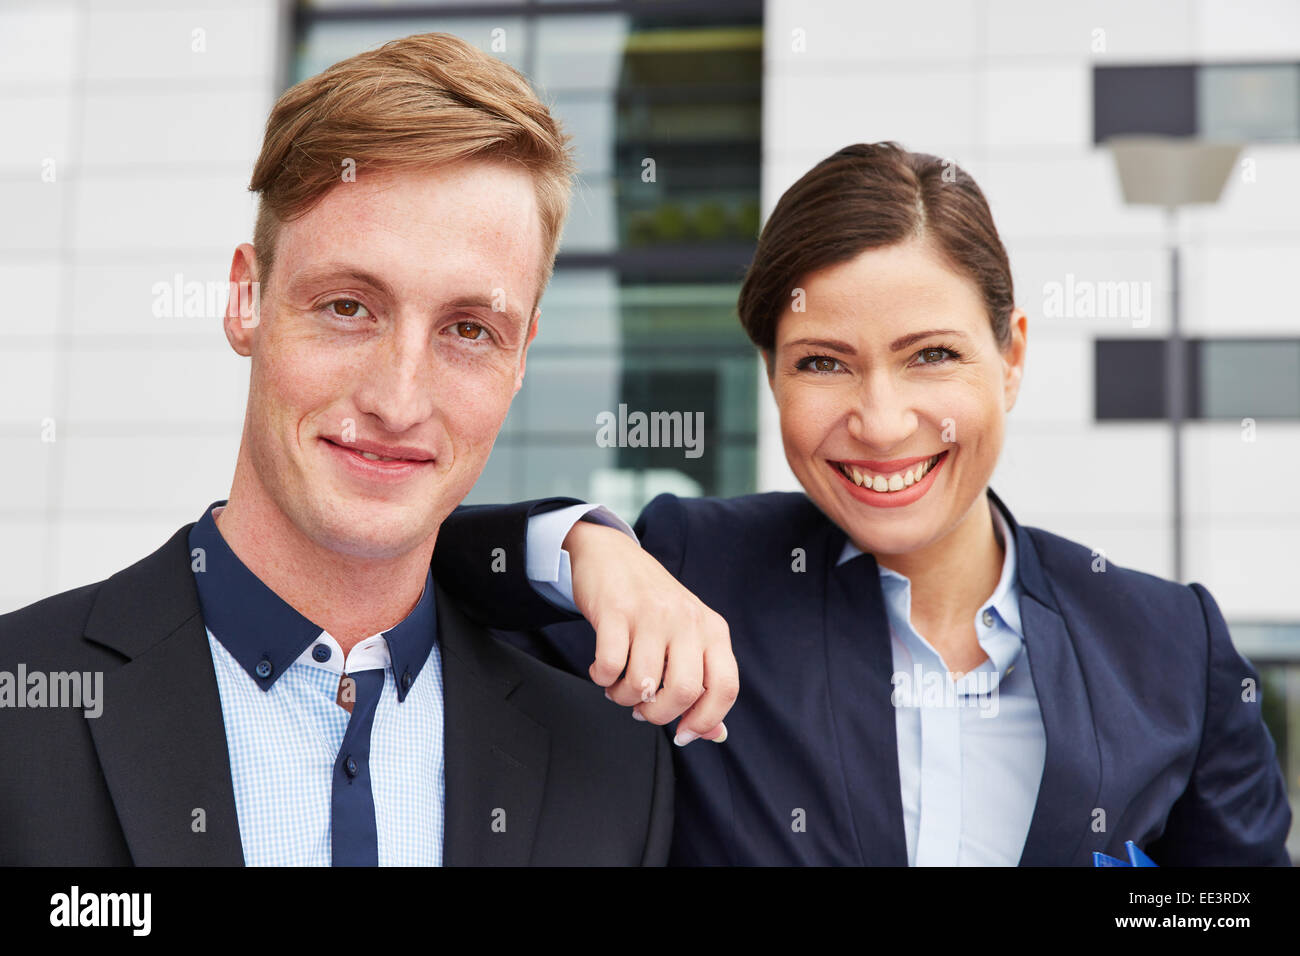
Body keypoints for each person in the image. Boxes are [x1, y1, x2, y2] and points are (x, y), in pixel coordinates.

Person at [433, 142, 1293, 865]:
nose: (881, 424)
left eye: (931, 355)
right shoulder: (691, 569)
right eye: (822, 362)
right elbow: (433, 567)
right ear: (772, 376)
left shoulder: (1171, 646)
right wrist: (588, 545)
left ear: (1012, 357)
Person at [0, 32, 719, 866]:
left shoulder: (614, 770)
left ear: (521, 358)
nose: (397, 400)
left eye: (468, 330)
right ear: (247, 298)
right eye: (348, 307)